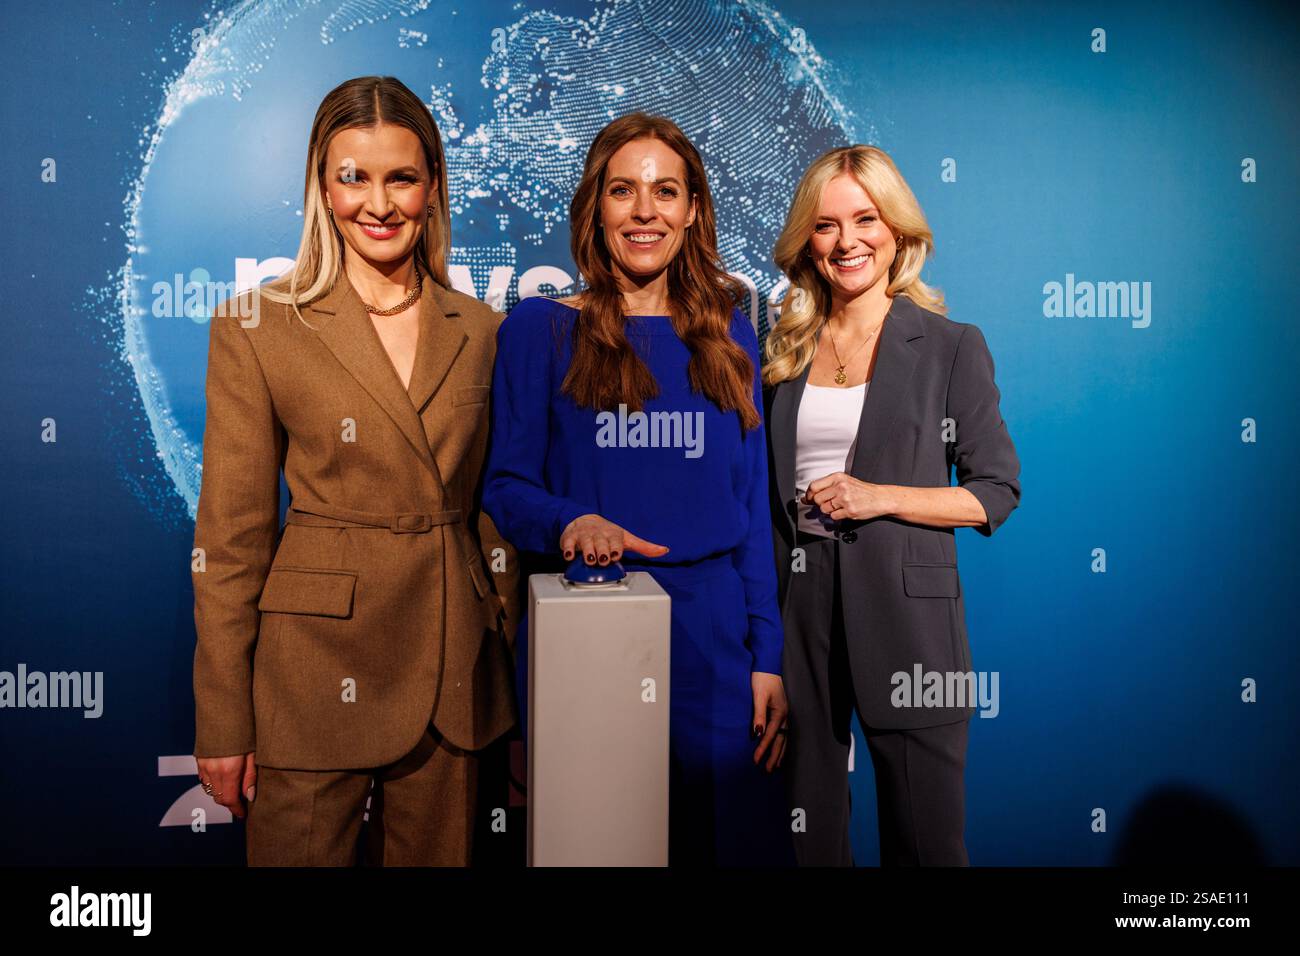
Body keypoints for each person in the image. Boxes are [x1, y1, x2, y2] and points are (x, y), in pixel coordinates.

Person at [191, 75, 518, 866]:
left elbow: (494, 513)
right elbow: (230, 543)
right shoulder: (257, 326)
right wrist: (225, 721)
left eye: (401, 177)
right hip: (311, 670)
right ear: (323, 190)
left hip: (453, 669)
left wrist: (505, 660)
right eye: (354, 177)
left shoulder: (484, 330)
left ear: (433, 188)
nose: (380, 202)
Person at [482, 112, 792, 866]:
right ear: (596, 208)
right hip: (593, 623)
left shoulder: (730, 332)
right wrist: (570, 519)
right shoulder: (537, 329)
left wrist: (767, 655)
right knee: (600, 848)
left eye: (666, 191)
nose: (645, 210)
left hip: (716, 637)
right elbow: (505, 485)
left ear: (692, 211)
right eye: (623, 190)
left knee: (724, 848)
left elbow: (751, 508)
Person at [763, 145, 1021, 865]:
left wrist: (877, 498)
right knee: (807, 841)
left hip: (910, 625)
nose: (847, 242)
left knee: (925, 848)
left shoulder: (949, 347)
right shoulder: (783, 351)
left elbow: (994, 493)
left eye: (866, 220)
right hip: (799, 619)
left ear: (898, 230)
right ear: (806, 242)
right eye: (825, 226)